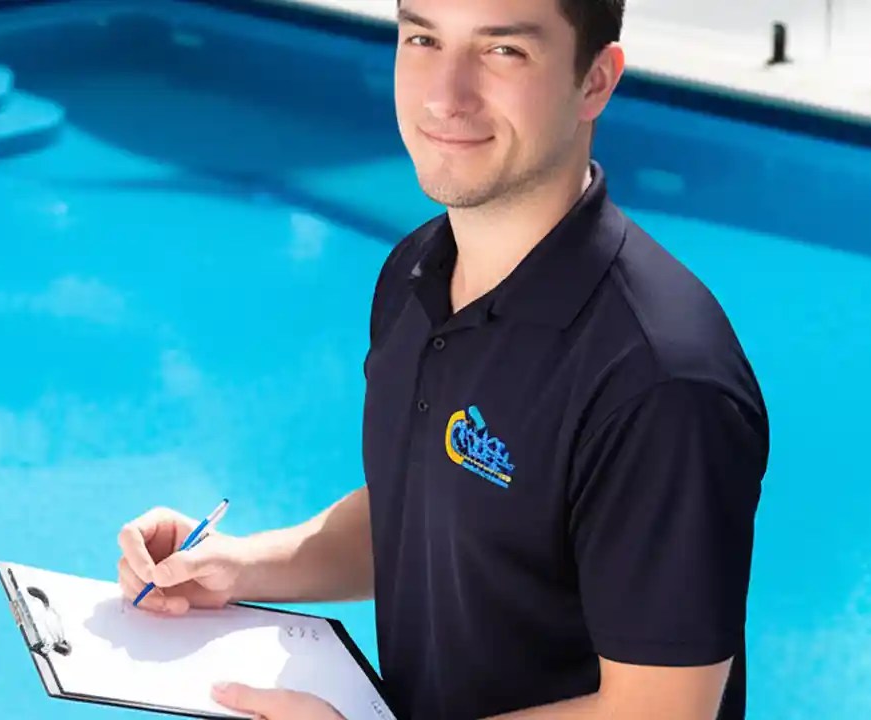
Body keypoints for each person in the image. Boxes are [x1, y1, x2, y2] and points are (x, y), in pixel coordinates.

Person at [117, 0, 769, 717]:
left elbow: (659, 711)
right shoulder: (418, 271)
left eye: (503, 52)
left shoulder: (659, 380)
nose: (444, 96)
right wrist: (240, 564)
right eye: (423, 38)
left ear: (596, 82)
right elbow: (429, 511)